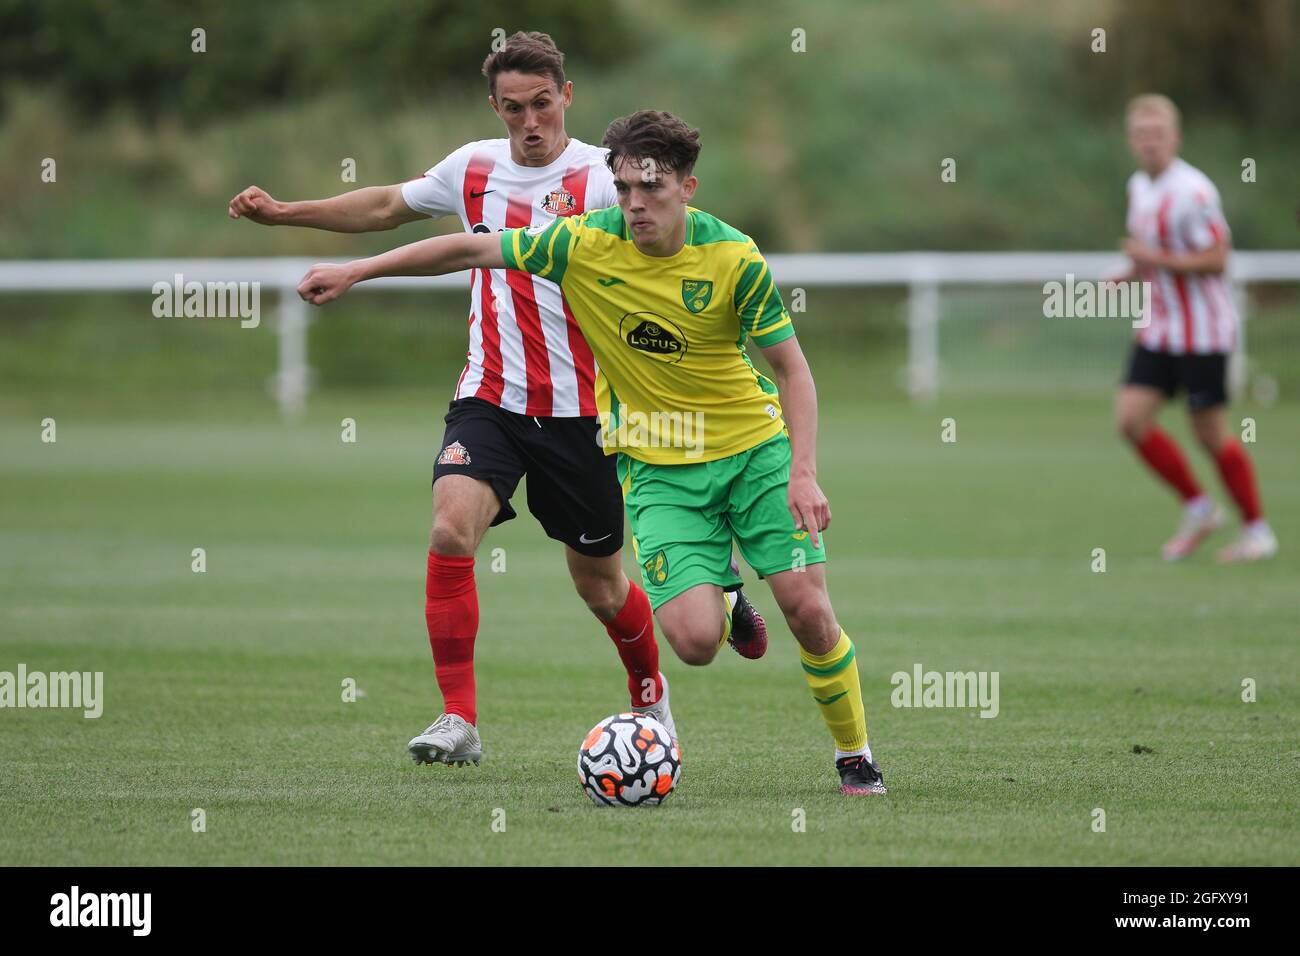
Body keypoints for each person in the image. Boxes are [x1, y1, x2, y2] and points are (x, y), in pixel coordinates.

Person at [297, 110, 887, 796]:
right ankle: (724, 599)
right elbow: (467, 250)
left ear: (688, 188)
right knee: (694, 645)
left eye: (652, 189)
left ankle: (855, 756)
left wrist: (804, 473)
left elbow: (794, 372)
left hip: (754, 454)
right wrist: (358, 270)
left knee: (807, 612)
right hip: (660, 469)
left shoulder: (734, 258)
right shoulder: (580, 243)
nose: (635, 204)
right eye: (625, 188)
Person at [231, 33, 768, 767]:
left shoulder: (610, 182)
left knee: (603, 584)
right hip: (491, 398)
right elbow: (389, 204)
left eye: (542, 104)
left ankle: (657, 682)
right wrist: (288, 216)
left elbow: (678, 260)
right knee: (451, 528)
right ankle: (459, 719)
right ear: (496, 108)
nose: (529, 122)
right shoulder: (472, 167)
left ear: (567, 97)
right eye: (513, 108)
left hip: (589, 414)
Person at [1114, 94, 1276, 563]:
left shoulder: (1194, 191)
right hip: (1159, 328)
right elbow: (1151, 254)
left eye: (1158, 135)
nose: (1150, 144)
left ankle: (1257, 530)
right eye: (1142, 135)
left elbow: (1218, 258)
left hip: (1203, 333)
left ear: (1175, 138)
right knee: (1130, 420)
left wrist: (1154, 260)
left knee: (1209, 434)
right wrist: (1126, 275)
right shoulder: (1138, 188)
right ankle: (1200, 507)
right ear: (1131, 141)